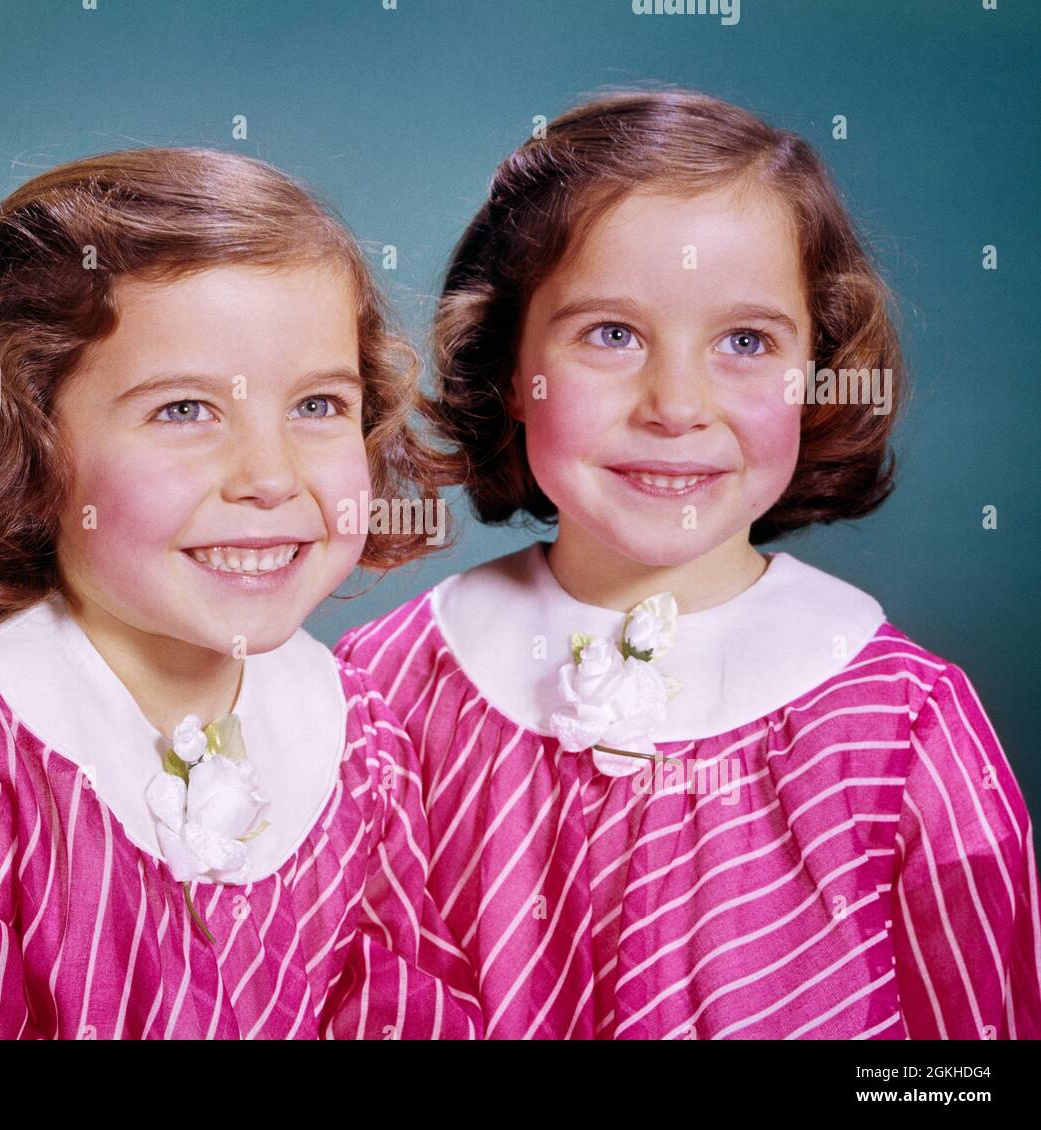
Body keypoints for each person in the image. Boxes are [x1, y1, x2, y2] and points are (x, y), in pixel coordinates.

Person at [338, 89, 1041, 1039]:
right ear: (508, 364)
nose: (677, 404)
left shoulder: (905, 723)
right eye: (612, 335)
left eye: (745, 342)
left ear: (816, 372)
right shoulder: (385, 693)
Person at [0, 147, 479, 1040]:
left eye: (317, 405)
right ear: (27, 447)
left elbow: (409, 1011)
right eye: (184, 411)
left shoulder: (360, 737)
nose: (270, 477)